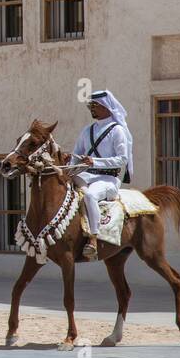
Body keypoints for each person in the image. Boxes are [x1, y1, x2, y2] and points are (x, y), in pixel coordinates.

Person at [71, 88, 132, 261]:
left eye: (95, 105)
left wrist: (95, 162)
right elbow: (76, 154)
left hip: (108, 179)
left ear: (106, 107)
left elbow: (122, 159)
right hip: (87, 176)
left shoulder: (117, 130)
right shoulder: (87, 130)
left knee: (90, 196)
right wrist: (68, 167)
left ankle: (93, 238)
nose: (92, 109)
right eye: (90, 106)